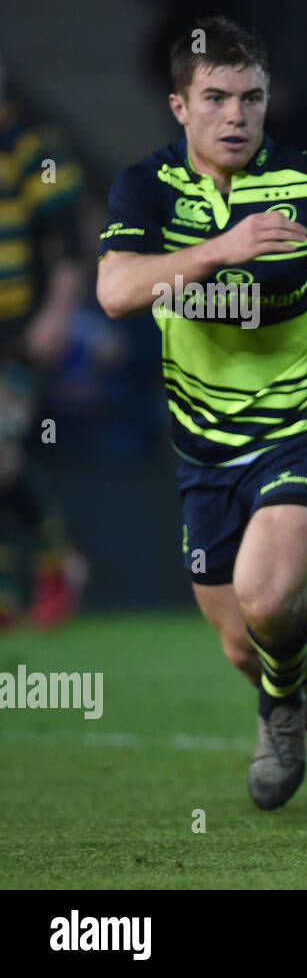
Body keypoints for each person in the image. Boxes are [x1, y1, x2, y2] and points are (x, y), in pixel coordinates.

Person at [95, 16, 307, 820]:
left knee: (266, 593)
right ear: (180, 106)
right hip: (204, 451)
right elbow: (115, 291)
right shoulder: (144, 190)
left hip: (305, 427)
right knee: (244, 642)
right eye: (214, 98)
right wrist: (221, 249)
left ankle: (279, 713)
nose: (236, 115)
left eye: (251, 96)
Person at [0, 49, 88, 628]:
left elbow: (68, 244)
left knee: (2, 454)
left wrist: (57, 314)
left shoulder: (37, 150)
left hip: (20, 331)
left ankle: (60, 559)